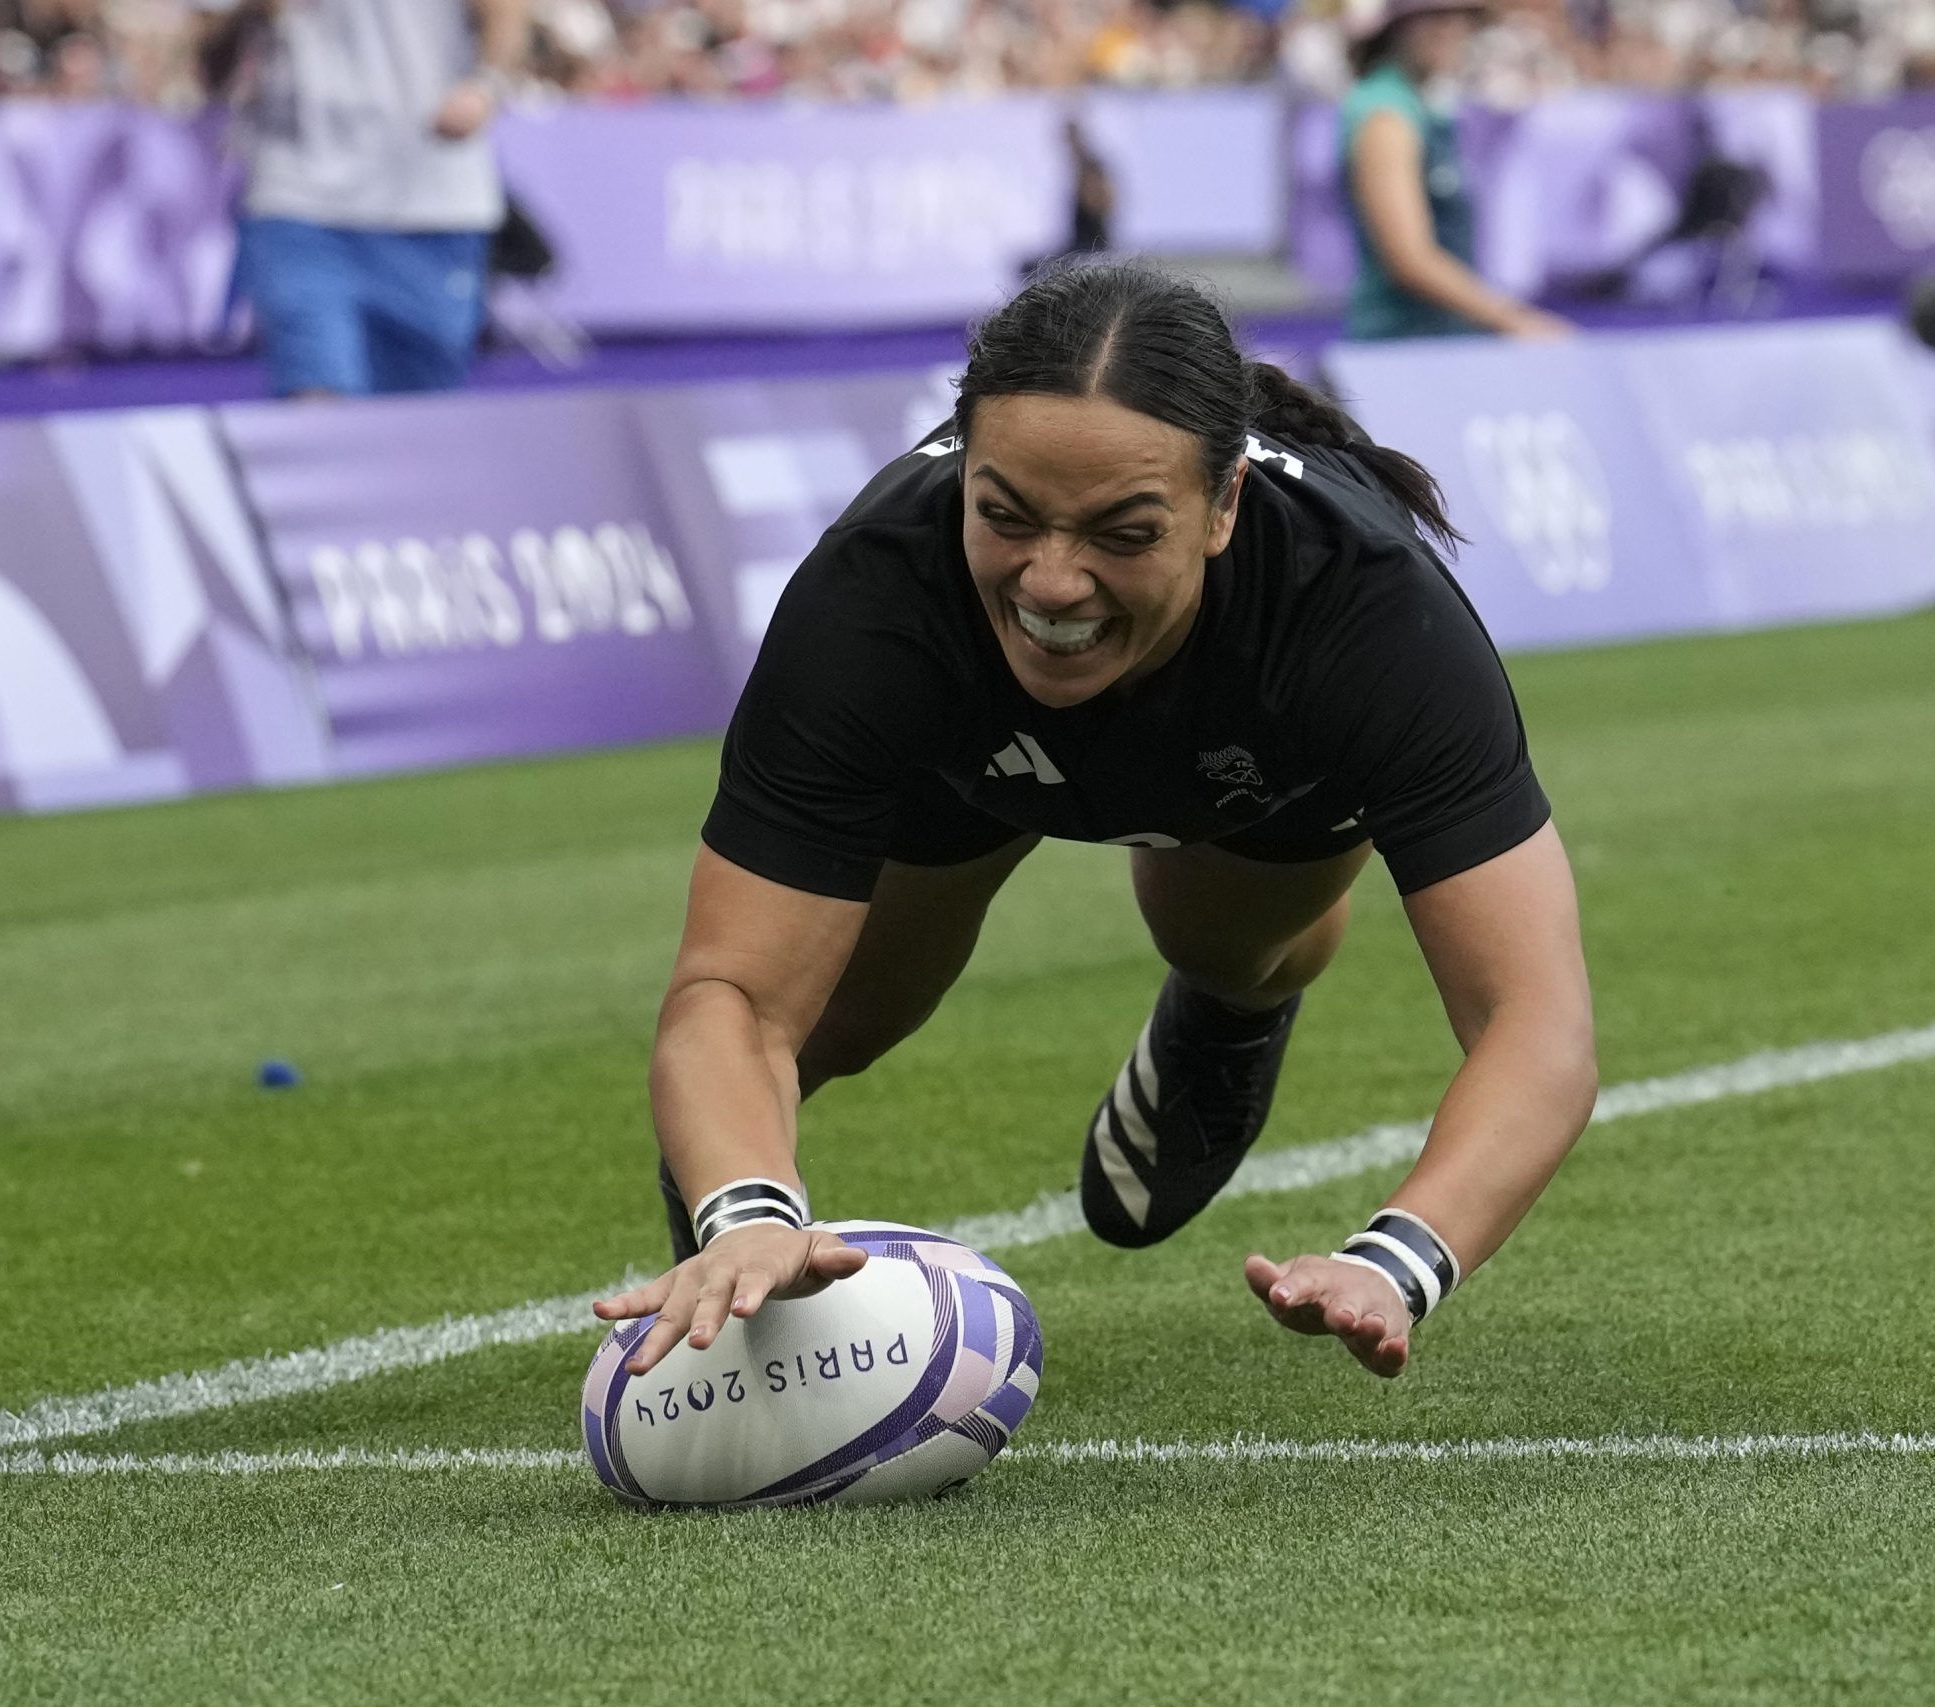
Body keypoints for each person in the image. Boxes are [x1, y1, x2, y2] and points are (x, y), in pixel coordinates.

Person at [596, 263, 1597, 1383]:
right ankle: (738, 1255)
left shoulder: (1359, 606)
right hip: (966, 759)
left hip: (1248, 771)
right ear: (964, 475)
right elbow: (730, 993)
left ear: (1222, 508)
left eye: (1122, 532)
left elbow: (1536, 1023)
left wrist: (1399, 1258)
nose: (1053, 582)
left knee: (1222, 940)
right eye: (1005, 517)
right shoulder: (873, 592)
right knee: (830, 1025)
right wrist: (744, 1209)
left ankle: (1231, 1015)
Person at [199, 0, 527, 396]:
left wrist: (485, 88)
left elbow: (506, 10)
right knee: (316, 392)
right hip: (295, 198)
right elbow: (209, 61)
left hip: (431, 199)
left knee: (415, 417)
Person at [1340, 0, 1571, 341]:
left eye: (1457, 17)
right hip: (1400, 345)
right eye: (1431, 17)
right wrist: (1514, 320)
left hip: (1440, 340)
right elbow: (1409, 258)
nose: (1447, 29)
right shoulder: (1385, 114)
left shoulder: (1423, 106)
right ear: (1397, 27)